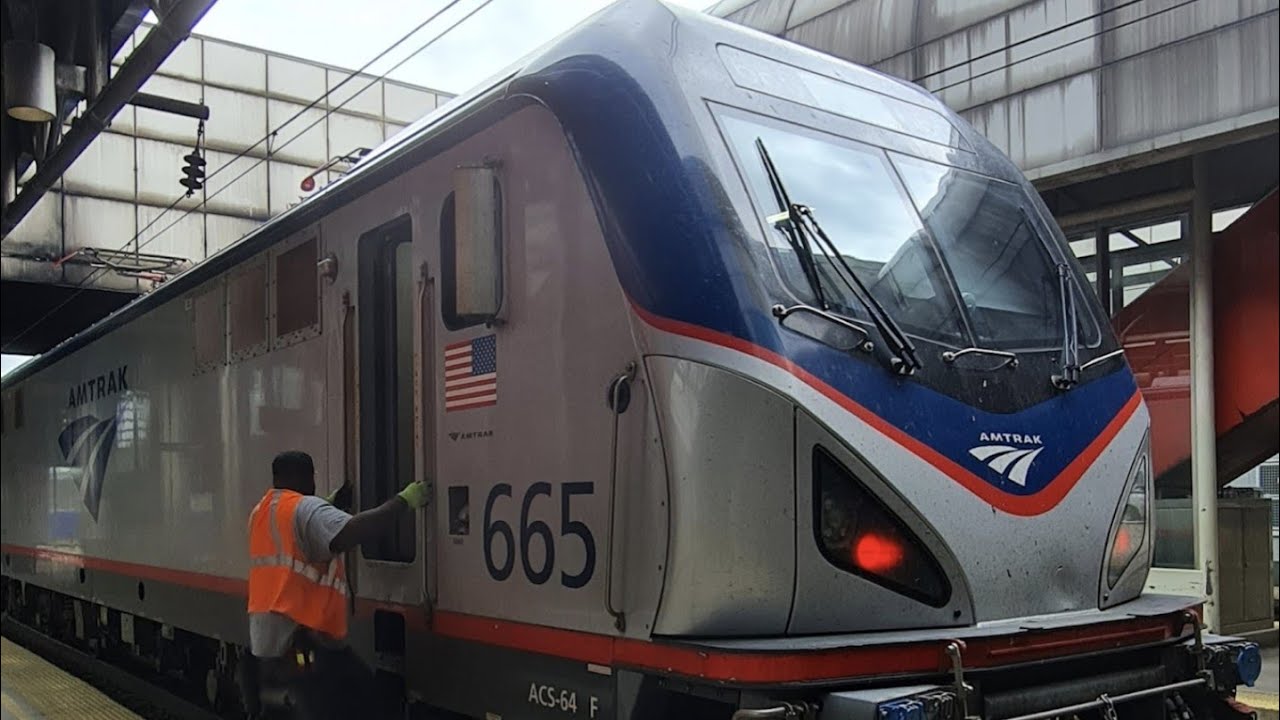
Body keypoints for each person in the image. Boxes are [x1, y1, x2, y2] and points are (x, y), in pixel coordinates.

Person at [242, 450, 430, 719]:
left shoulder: (261, 512)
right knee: (368, 703)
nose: (314, 486)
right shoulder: (306, 510)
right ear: (305, 478)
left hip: (267, 643)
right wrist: (404, 501)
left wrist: (330, 504)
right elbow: (352, 532)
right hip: (306, 640)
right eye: (312, 479)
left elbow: (299, 535)